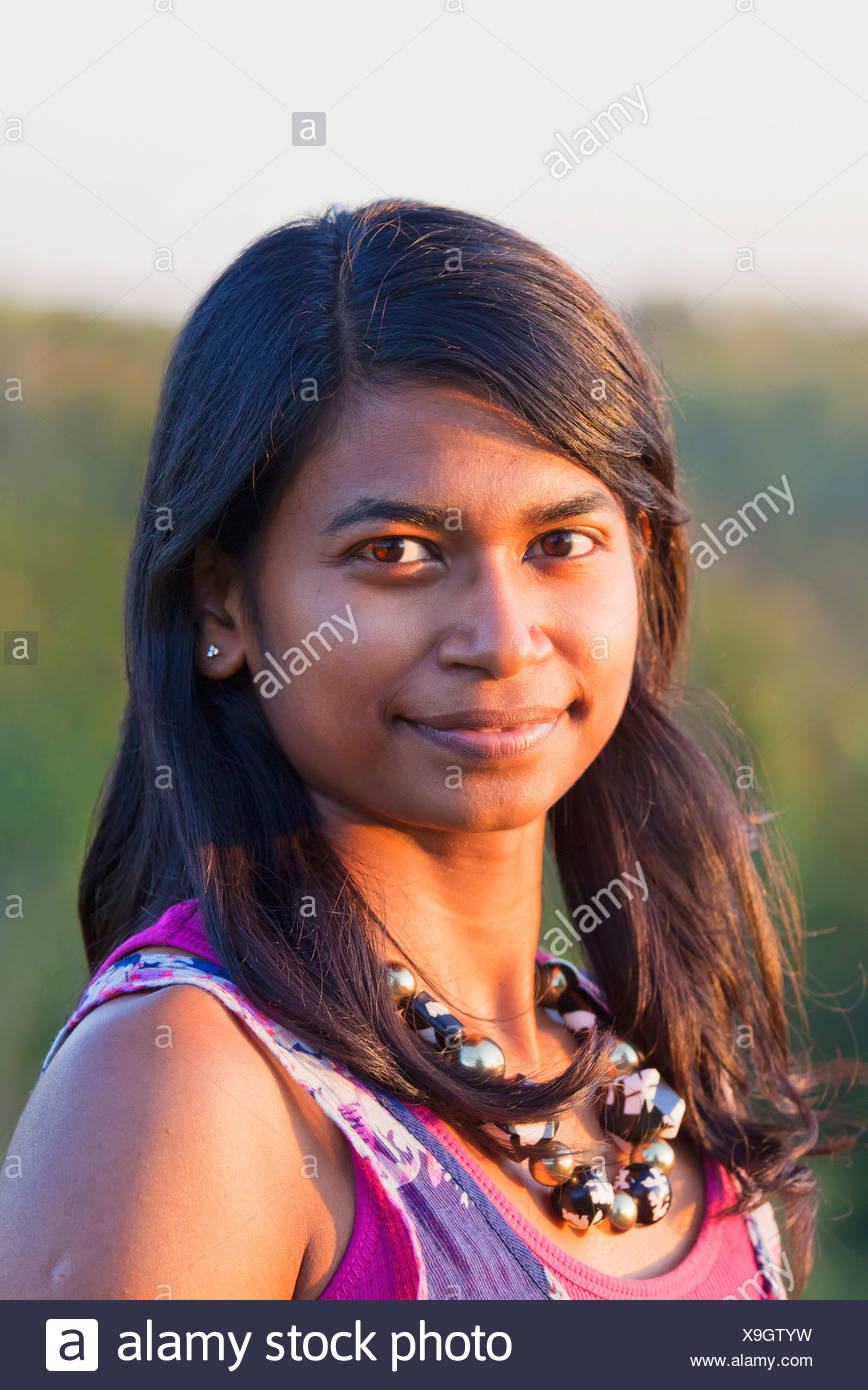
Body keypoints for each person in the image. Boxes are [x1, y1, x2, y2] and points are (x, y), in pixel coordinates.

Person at [0, 199, 849, 1300]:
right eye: (395, 552)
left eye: (561, 542)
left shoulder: (649, 1073)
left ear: (640, 562)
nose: (500, 638)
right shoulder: (195, 1079)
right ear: (223, 603)